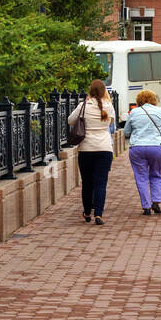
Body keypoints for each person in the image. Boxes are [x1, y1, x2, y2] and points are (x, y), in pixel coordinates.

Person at [68, 79, 116, 225]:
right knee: (101, 183)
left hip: (86, 149)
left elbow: (71, 120)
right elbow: (111, 122)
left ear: (90, 91)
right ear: (103, 92)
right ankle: (99, 215)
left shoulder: (83, 105)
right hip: (104, 148)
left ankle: (87, 212)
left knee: (87, 182)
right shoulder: (108, 106)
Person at [123, 89, 161, 216]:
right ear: (154, 100)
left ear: (139, 100)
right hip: (157, 147)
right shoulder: (160, 111)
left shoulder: (134, 112)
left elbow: (126, 132)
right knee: (156, 174)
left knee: (141, 177)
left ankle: (146, 206)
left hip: (137, 148)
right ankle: (156, 201)